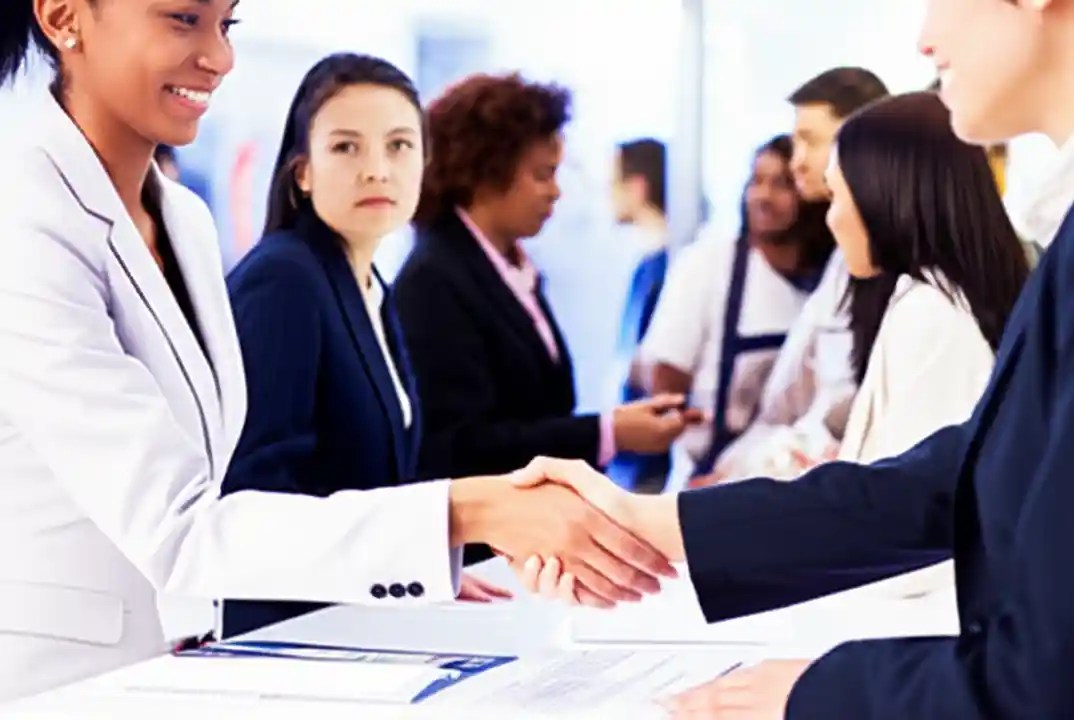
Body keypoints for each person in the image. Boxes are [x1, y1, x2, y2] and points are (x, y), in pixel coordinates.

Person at [517, 0, 1074, 716]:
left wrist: (814, 693)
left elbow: (1062, 676)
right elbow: (972, 473)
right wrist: (657, 523)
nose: (924, 39)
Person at [0, 2, 669, 701]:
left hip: (182, 671)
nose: (220, 57)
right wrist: (469, 512)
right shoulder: (23, 218)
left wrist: (438, 545)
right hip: (58, 684)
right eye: (182, 18)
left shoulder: (184, 220)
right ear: (63, 15)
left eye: (226, 26)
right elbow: (182, 524)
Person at [221, 54, 514, 637]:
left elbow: (378, 481)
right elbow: (257, 493)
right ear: (301, 171)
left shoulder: (366, 282)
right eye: (346, 148)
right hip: (290, 633)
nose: (377, 170)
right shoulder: (285, 279)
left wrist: (427, 570)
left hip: (358, 624)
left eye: (400, 146)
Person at [393, 74, 699, 563]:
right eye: (541, 175)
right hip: (478, 557)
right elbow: (457, 445)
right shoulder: (435, 278)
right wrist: (608, 432)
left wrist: (611, 427)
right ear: (486, 172)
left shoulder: (511, 268)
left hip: (523, 548)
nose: (556, 192)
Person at [708, 67, 889, 482]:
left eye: (809, 141)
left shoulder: (889, 263)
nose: (797, 162)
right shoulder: (840, 259)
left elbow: (846, 410)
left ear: (860, 140)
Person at [638, 135, 832, 487]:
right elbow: (666, 376)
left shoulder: (828, 279)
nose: (763, 196)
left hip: (785, 477)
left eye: (781, 184)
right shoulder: (709, 263)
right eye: (756, 181)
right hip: (704, 477)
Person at [607, 138, 672, 491]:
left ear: (637, 187)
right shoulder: (649, 266)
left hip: (651, 464)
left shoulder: (665, 269)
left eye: (613, 184)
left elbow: (650, 368)